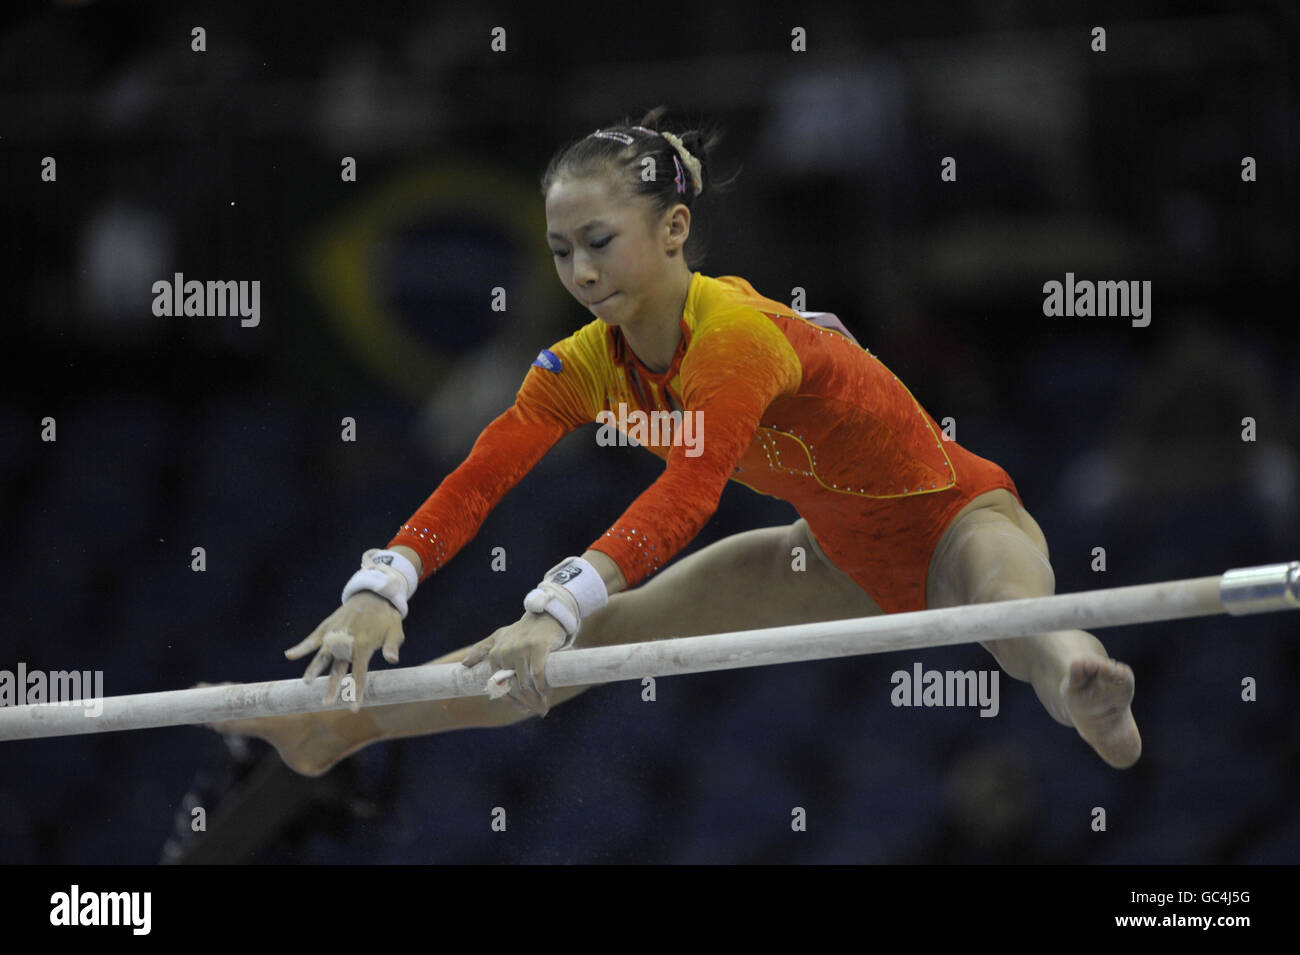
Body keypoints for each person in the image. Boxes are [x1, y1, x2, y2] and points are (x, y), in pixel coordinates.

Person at [216, 106, 1141, 776]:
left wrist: (560, 595)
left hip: (957, 517)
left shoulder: (736, 337)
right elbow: (483, 471)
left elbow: (692, 490)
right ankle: (341, 728)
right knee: (561, 654)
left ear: (674, 228)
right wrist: (385, 583)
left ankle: (1086, 692)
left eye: (599, 241)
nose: (579, 272)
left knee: (1012, 618)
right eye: (559, 249)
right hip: (823, 555)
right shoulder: (582, 362)